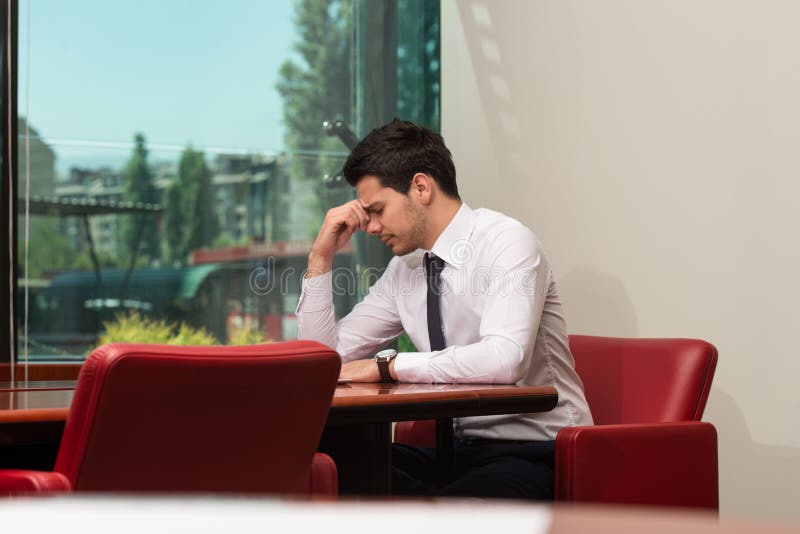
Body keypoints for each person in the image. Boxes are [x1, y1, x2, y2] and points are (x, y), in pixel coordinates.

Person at [296, 119, 592, 499]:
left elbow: (505, 359)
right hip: (455, 452)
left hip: (536, 450)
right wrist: (320, 260)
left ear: (421, 187)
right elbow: (325, 360)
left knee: (406, 502)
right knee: (326, 464)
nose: (370, 227)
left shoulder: (507, 242)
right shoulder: (405, 268)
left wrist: (387, 365)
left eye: (377, 210)